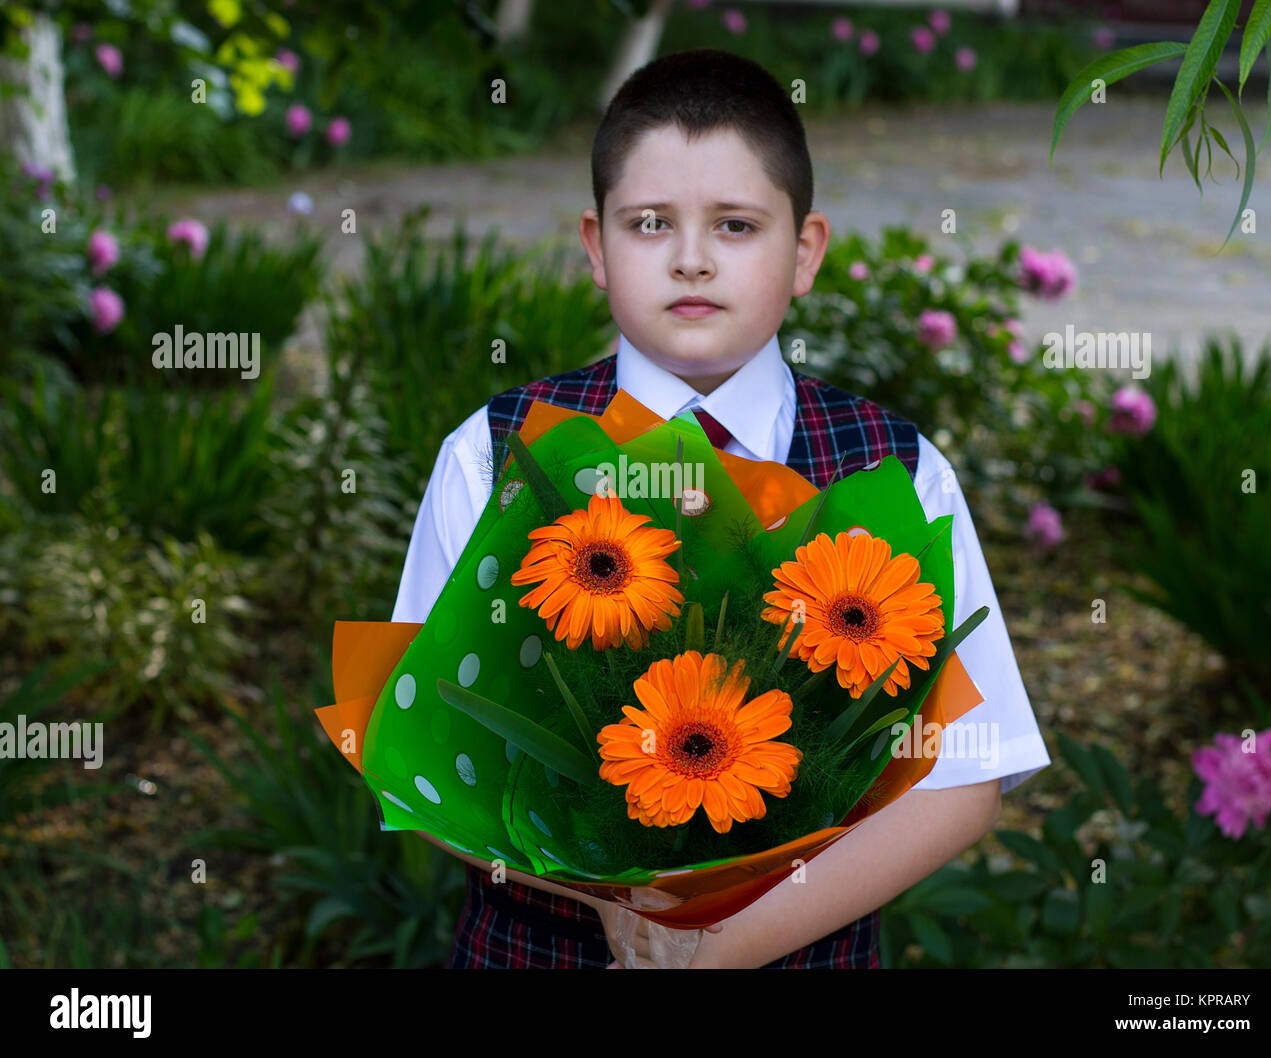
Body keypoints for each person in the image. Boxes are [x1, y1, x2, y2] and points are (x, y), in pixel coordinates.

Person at [391, 47, 1051, 968]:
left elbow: (962, 779)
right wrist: (614, 901)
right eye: (650, 223)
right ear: (595, 246)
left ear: (806, 251)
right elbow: (420, 754)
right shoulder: (496, 453)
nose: (692, 260)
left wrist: (718, 948)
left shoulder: (896, 473)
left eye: (736, 226)